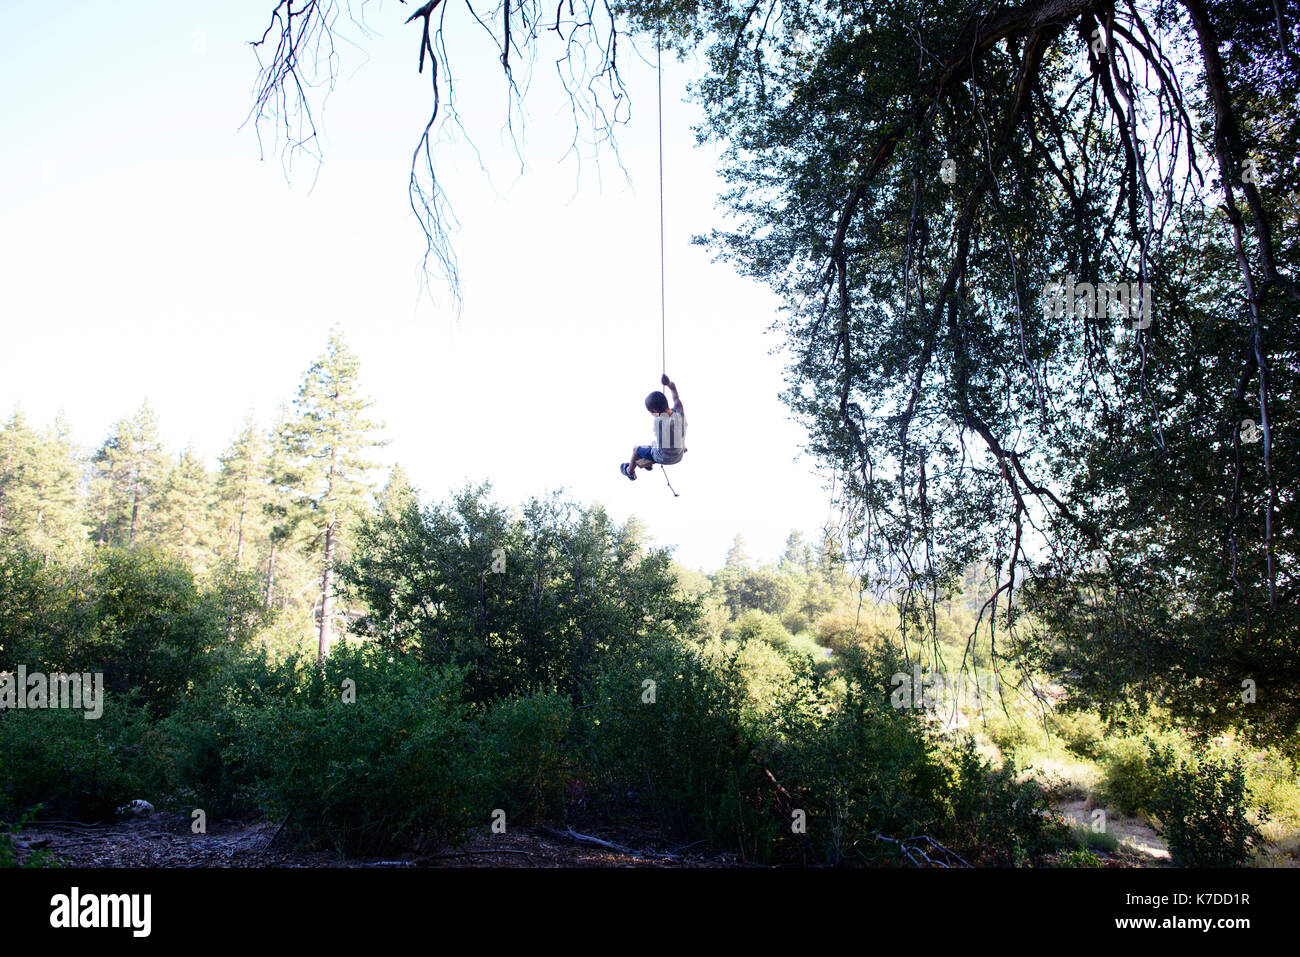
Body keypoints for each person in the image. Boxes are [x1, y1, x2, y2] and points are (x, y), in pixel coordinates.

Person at [621, 374, 687, 480]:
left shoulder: (659, 422)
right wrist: (668, 383)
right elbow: (674, 391)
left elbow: (664, 420)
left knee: (636, 449)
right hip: (679, 455)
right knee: (655, 443)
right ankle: (649, 462)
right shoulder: (679, 409)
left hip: (666, 458)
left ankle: (629, 471)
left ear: (655, 411)